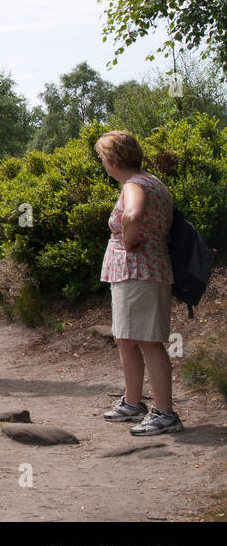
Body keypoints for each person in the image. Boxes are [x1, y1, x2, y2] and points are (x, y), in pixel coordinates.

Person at [95, 130, 182, 436]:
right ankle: (133, 403)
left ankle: (164, 413)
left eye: (103, 158)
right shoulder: (151, 180)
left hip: (138, 272)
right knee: (128, 338)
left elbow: (133, 213)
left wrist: (129, 236)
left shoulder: (134, 185)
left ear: (113, 159)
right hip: (143, 272)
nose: (102, 164)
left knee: (148, 342)